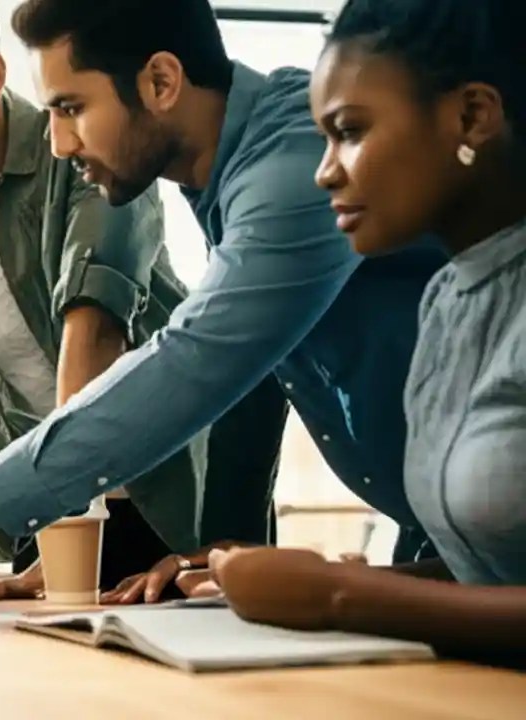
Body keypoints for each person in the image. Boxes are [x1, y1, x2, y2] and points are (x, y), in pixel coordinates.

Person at [0, 0, 448, 587]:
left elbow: (192, 361)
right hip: (441, 536)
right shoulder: (220, 172)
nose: (61, 143)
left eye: (72, 108)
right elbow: (257, 366)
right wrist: (225, 540)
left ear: (160, 81)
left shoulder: (290, 165)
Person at [0, 0, 286, 597]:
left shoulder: (96, 150)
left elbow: (94, 330)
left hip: (150, 500)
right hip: (40, 504)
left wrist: (57, 513)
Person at [207, 0, 526, 659]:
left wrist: (337, 596)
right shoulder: (447, 300)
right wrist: (307, 586)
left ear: (472, 115)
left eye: (349, 131)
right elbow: (492, 574)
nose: (324, 171)